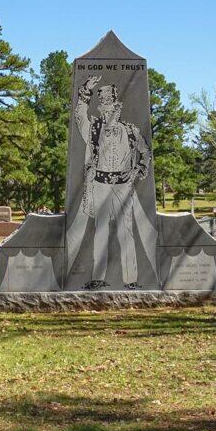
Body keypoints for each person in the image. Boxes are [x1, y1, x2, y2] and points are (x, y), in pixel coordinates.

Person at [65, 75, 159, 289]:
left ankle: (131, 280)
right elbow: (80, 116)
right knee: (100, 231)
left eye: (112, 108)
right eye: (105, 110)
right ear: (101, 111)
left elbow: (146, 152)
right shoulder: (94, 130)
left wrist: (140, 169)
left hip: (124, 185)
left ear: (118, 108)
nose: (109, 113)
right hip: (100, 183)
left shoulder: (131, 131)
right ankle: (98, 278)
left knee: (126, 232)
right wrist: (85, 91)